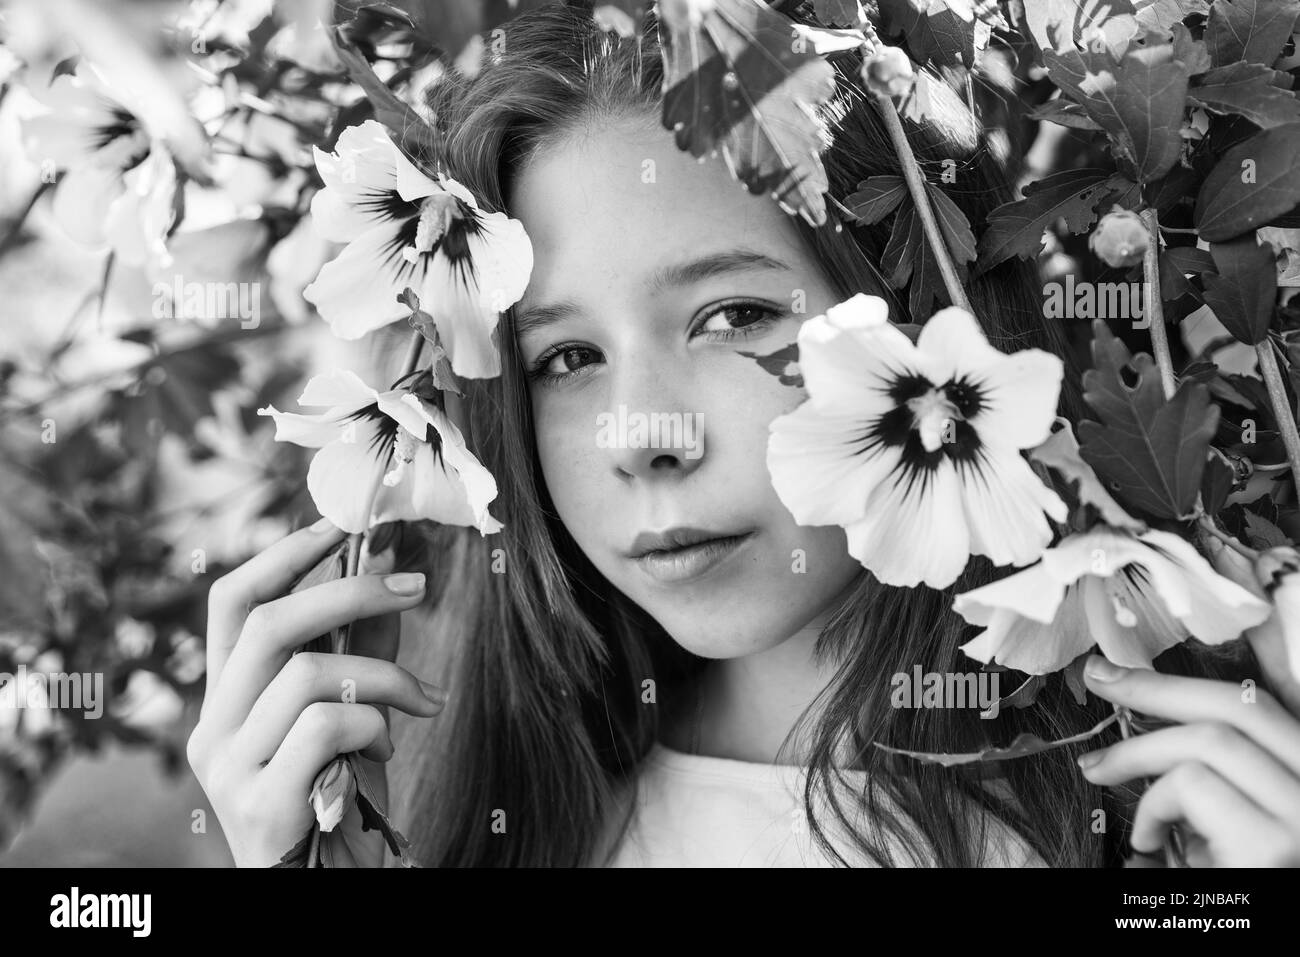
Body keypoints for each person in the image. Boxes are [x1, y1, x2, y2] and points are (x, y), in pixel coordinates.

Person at [187, 1, 1300, 867]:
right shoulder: (486, 815)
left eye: (733, 318)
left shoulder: (1173, 814)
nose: (640, 436)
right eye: (563, 358)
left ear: (925, 326)